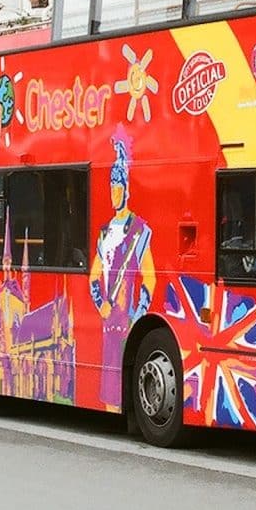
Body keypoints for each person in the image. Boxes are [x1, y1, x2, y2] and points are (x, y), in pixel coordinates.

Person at [89, 133, 156, 410]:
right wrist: (101, 303)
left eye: (117, 187)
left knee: (117, 385)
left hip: (126, 318)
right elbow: (95, 274)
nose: (113, 193)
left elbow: (150, 275)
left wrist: (137, 313)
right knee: (108, 388)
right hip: (109, 320)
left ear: (126, 189)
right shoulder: (104, 232)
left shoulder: (139, 229)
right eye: (110, 187)